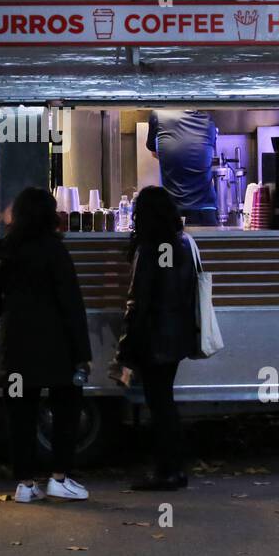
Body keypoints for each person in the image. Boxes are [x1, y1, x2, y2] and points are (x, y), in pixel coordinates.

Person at [0, 187, 91, 503]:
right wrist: (83, 354)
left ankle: (25, 485)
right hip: (57, 347)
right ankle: (59, 477)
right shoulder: (55, 251)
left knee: (20, 416)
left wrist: (14, 312)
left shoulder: (2, 250)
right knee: (65, 411)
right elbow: (71, 304)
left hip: (16, 347)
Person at [114, 186, 200, 491]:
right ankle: (174, 469)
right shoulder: (183, 244)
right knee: (166, 404)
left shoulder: (150, 249)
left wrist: (125, 348)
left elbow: (139, 300)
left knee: (159, 405)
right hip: (176, 337)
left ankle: (167, 472)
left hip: (154, 339)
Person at [147, 109, 218, 226]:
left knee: (170, 244)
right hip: (205, 211)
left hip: (172, 210)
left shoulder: (158, 114)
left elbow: (155, 153)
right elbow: (208, 153)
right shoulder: (208, 119)